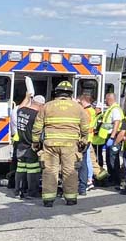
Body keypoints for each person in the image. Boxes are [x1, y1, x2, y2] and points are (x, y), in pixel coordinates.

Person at [32, 79, 89, 207]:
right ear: (70, 94)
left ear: (56, 93)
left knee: (50, 170)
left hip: (50, 145)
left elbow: (37, 127)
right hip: (70, 146)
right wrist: (84, 141)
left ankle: (48, 200)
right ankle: (71, 199)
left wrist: (35, 142)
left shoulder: (47, 106)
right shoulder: (78, 107)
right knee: (69, 170)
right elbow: (85, 128)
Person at [14, 95, 45, 198]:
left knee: (21, 169)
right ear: (41, 105)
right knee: (33, 170)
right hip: (30, 146)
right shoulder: (36, 115)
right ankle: (33, 192)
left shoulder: (21, 111)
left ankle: (18, 190)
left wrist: (27, 97)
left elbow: (20, 107)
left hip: (20, 145)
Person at [96, 92, 124, 188]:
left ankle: (115, 179)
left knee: (112, 160)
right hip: (111, 137)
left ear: (109, 99)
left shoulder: (115, 109)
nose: (105, 101)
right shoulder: (112, 109)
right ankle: (113, 178)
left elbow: (116, 123)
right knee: (109, 159)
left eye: (106, 99)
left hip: (114, 137)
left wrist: (112, 137)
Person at [77, 93, 97, 196]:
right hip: (87, 139)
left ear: (84, 101)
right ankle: (85, 183)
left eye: (80, 102)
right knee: (86, 160)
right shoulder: (90, 110)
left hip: (84, 139)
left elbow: (82, 125)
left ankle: (84, 185)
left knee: (83, 162)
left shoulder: (87, 111)